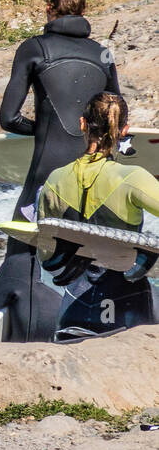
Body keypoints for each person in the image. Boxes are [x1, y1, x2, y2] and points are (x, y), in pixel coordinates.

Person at [0, 0, 120, 344]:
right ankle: (90, 331)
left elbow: (8, 118)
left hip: (46, 174)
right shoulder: (103, 53)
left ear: (48, 7)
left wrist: (43, 130)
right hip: (96, 177)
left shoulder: (33, 48)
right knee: (88, 258)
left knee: (24, 261)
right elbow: (116, 113)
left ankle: (19, 341)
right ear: (85, 10)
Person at [37, 92, 159, 341]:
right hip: (128, 310)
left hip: (73, 309)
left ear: (82, 123)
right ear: (124, 130)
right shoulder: (132, 177)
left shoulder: (55, 180)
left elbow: (47, 255)